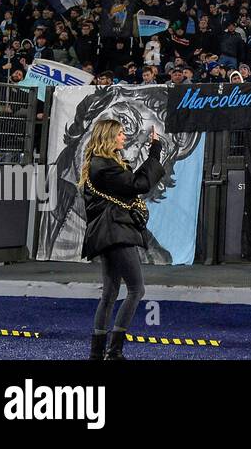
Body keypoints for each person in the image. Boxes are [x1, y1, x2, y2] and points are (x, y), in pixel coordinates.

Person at [81, 117, 165, 360]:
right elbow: (138, 184)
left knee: (109, 293)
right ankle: (114, 352)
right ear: (108, 137)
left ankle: (98, 355)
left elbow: (129, 184)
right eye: (120, 133)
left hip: (107, 233)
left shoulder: (99, 164)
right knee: (136, 290)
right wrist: (155, 153)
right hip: (115, 232)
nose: (124, 137)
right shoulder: (105, 165)